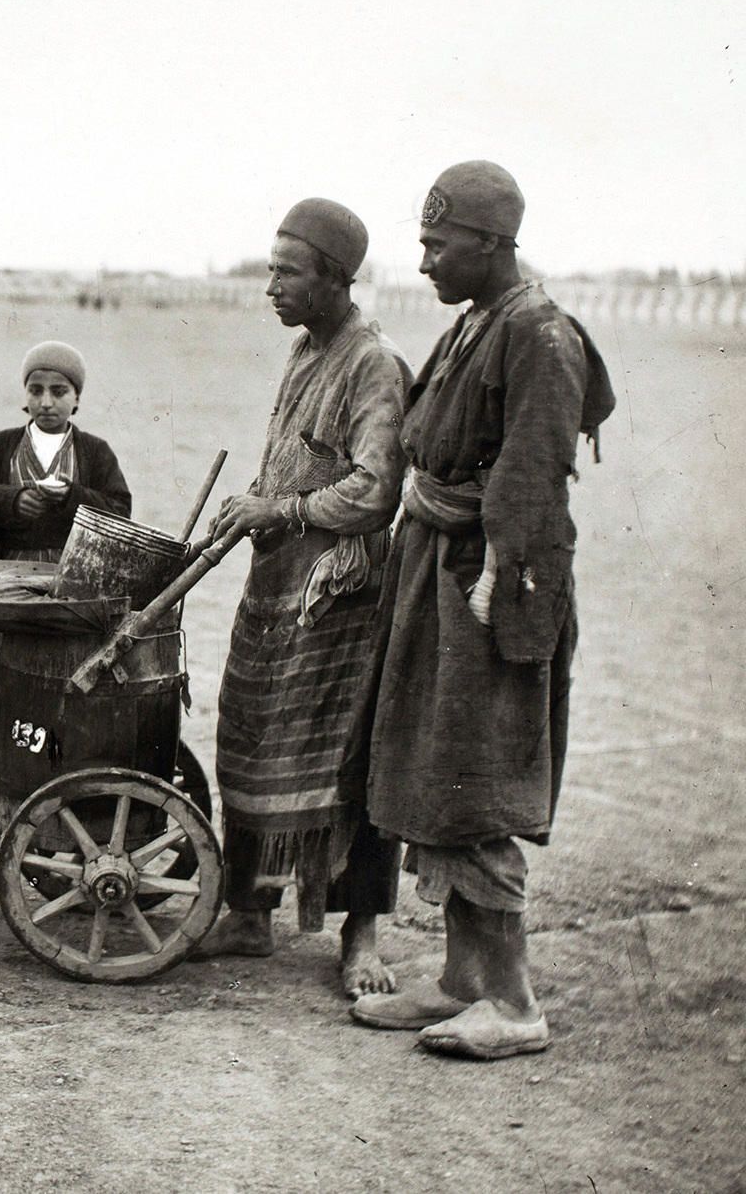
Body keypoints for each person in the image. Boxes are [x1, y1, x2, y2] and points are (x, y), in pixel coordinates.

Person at [350, 161, 615, 1059]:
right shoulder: (478, 324)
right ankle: (463, 979)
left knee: (478, 777)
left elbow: (532, 479)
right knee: (435, 766)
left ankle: (512, 1001)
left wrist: (497, 589)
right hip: (440, 573)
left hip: (490, 590)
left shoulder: (539, 335)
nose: (423, 259)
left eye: (437, 243)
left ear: (491, 242)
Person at [192, 198, 411, 997]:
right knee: (247, 728)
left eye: (287, 270)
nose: (271, 284)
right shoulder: (303, 349)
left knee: (341, 760)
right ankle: (248, 912)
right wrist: (254, 500)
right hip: (274, 581)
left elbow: (376, 488)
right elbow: (290, 456)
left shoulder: (373, 362)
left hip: (338, 597)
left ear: (334, 277)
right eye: (271, 267)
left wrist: (278, 511)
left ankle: (360, 935)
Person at [0, 342, 132, 823]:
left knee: (57, 690)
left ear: (77, 398)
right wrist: (12, 503)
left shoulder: (94, 452)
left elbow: (120, 508)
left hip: (69, 587)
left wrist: (72, 498)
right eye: (37, 390)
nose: (47, 401)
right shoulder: (1, 445)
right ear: (25, 396)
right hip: (3, 583)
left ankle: (51, 792)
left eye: (59, 391)